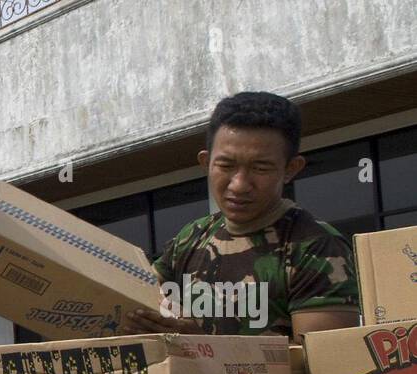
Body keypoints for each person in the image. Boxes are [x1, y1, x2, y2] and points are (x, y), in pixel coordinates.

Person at [122, 91, 359, 341]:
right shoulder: (191, 238)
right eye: (226, 166)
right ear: (206, 163)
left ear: (291, 169)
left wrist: (202, 345)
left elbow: (321, 366)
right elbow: (134, 299)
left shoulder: (317, 248)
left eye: (260, 168)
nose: (239, 185)